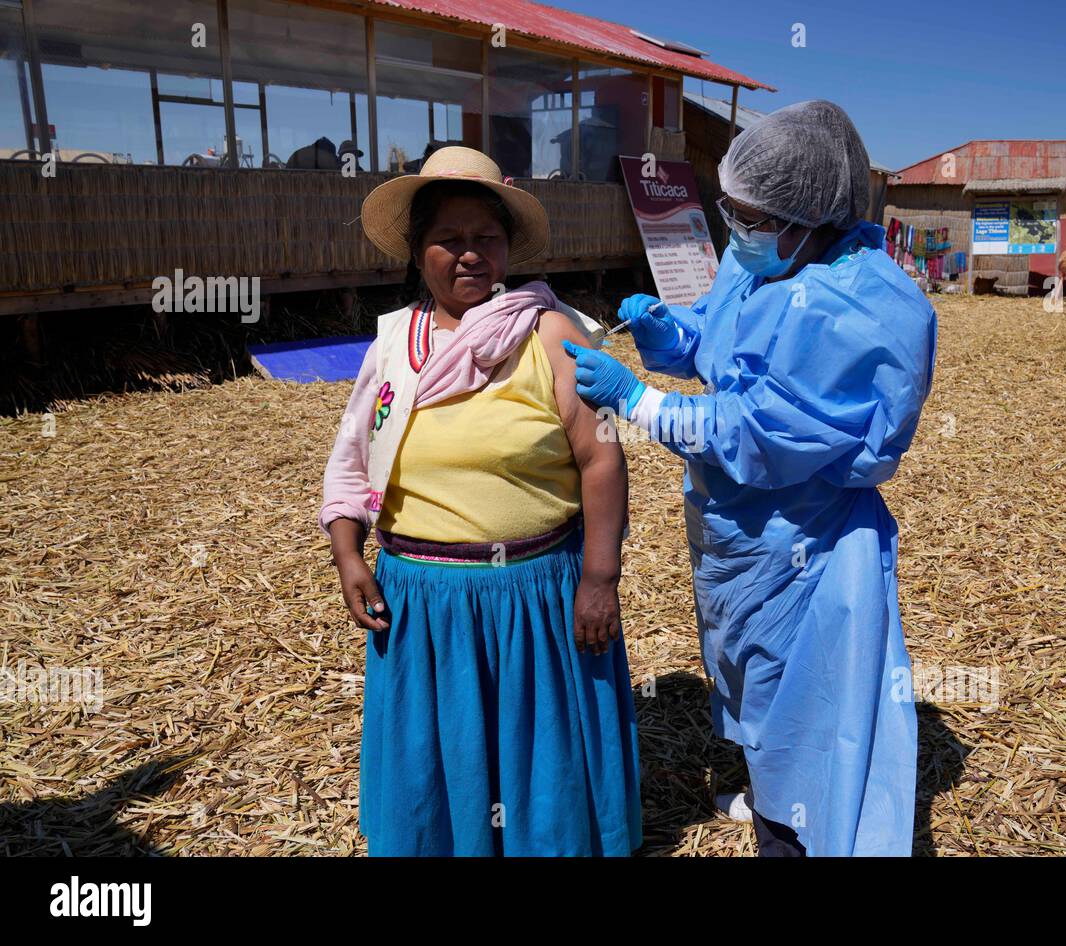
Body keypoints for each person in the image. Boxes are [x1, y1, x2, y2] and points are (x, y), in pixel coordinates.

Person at [565, 101, 937, 856]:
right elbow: (724, 336)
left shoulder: (858, 310)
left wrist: (639, 400)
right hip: (736, 528)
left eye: (752, 214)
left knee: (799, 694)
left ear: (812, 217)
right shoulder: (765, 254)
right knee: (741, 667)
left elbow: (758, 432)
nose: (736, 226)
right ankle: (768, 786)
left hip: (803, 542)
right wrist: (672, 331)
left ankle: (790, 828)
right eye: (729, 208)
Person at [321, 146, 641, 856]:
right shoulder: (393, 347)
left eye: (485, 239)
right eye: (450, 239)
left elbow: (601, 454)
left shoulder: (550, 333)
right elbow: (352, 457)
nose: (470, 255)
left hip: (532, 597)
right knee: (441, 764)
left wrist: (599, 578)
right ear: (416, 251)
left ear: (508, 248)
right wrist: (348, 553)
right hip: (423, 603)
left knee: (538, 762)